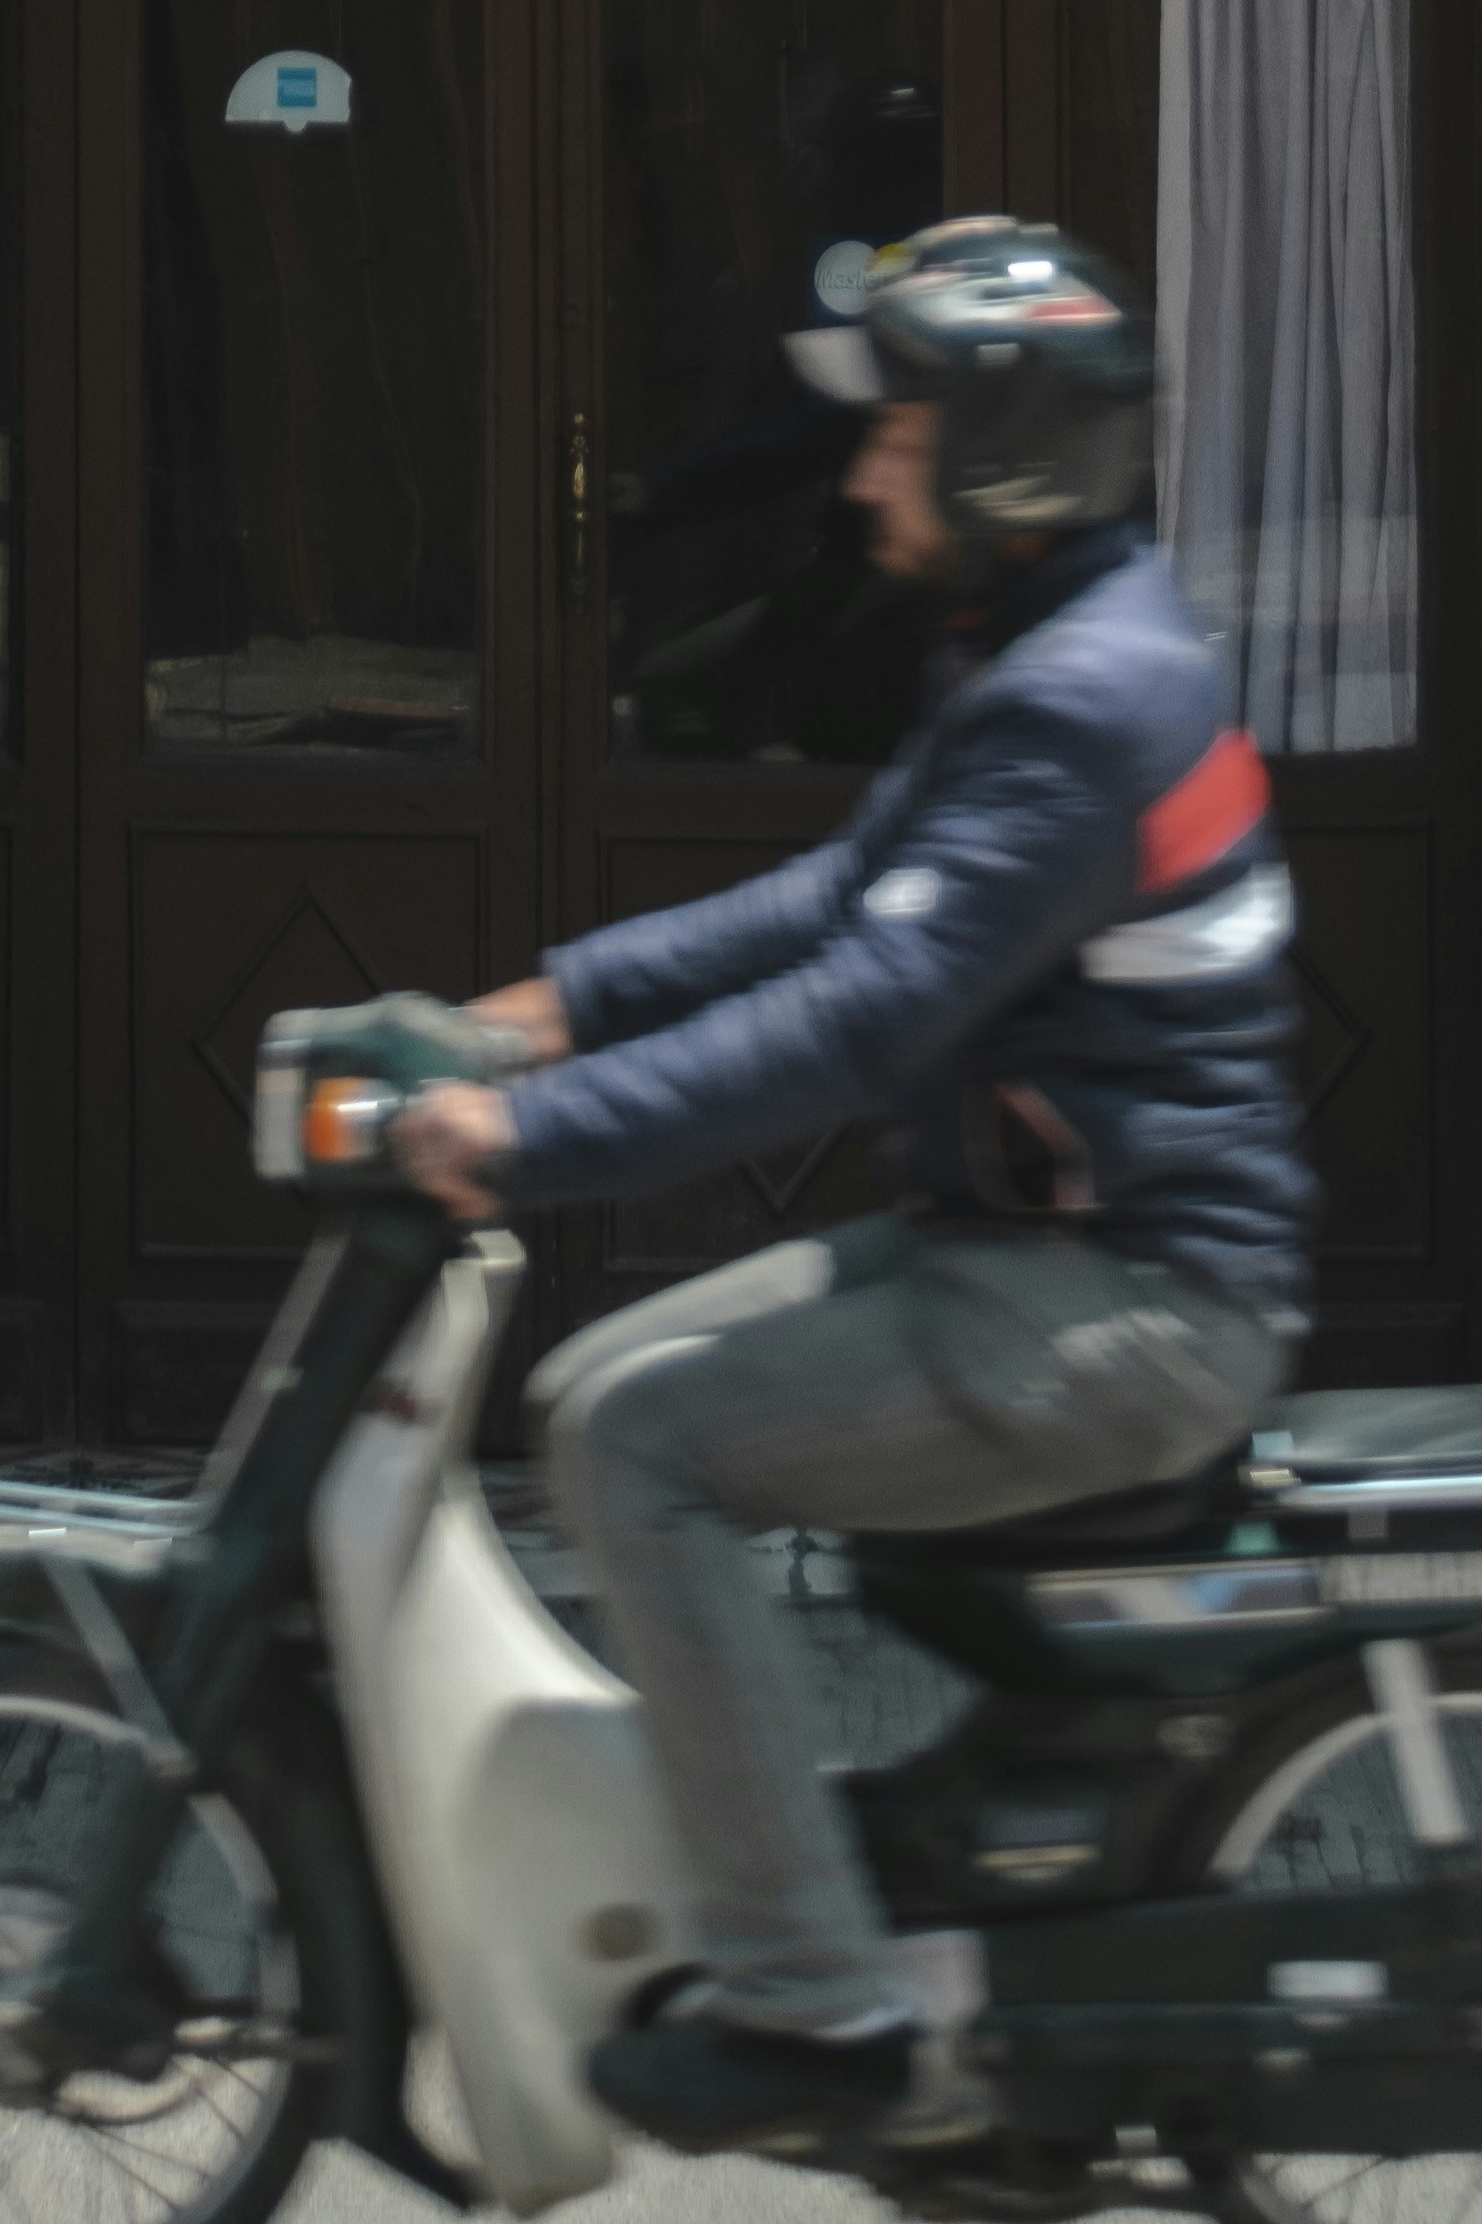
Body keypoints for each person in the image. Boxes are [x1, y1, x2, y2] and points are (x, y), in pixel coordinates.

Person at [389, 214, 1312, 2162]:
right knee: (591, 1399)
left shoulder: (1078, 703)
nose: (868, 462)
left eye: (900, 427)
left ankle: (815, 2000)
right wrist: (545, 1014)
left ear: (1005, 456)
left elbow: (863, 1014)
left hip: (1129, 1304)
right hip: (1047, 1250)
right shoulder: (1053, 649)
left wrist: (528, 1143)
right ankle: (860, 1881)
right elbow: (838, 897)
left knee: (640, 1446)